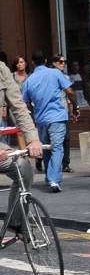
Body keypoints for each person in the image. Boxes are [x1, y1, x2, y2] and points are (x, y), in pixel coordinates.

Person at [23, 51, 78, 193]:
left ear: (33, 62)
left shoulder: (29, 79)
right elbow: (70, 91)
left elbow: (26, 102)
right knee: (57, 147)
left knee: (47, 148)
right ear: (46, 60)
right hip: (57, 116)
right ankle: (54, 179)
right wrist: (75, 107)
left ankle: (49, 177)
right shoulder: (55, 73)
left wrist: (34, 114)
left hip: (41, 119)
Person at [0, 52, 42, 225]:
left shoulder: (2, 70)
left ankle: (16, 223)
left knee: (24, 170)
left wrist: (33, 139)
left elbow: (19, 108)